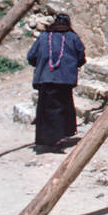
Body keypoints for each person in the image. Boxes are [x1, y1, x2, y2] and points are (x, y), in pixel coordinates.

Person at [27, 13, 86, 154]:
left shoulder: (43, 37)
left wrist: (41, 65)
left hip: (45, 79)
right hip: (64, 80)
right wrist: (72, 66)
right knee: (61, 108)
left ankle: (45, 140)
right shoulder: (73, 37)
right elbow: (81, 57)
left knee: (45, 110)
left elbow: (31, 57)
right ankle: (58, 139)